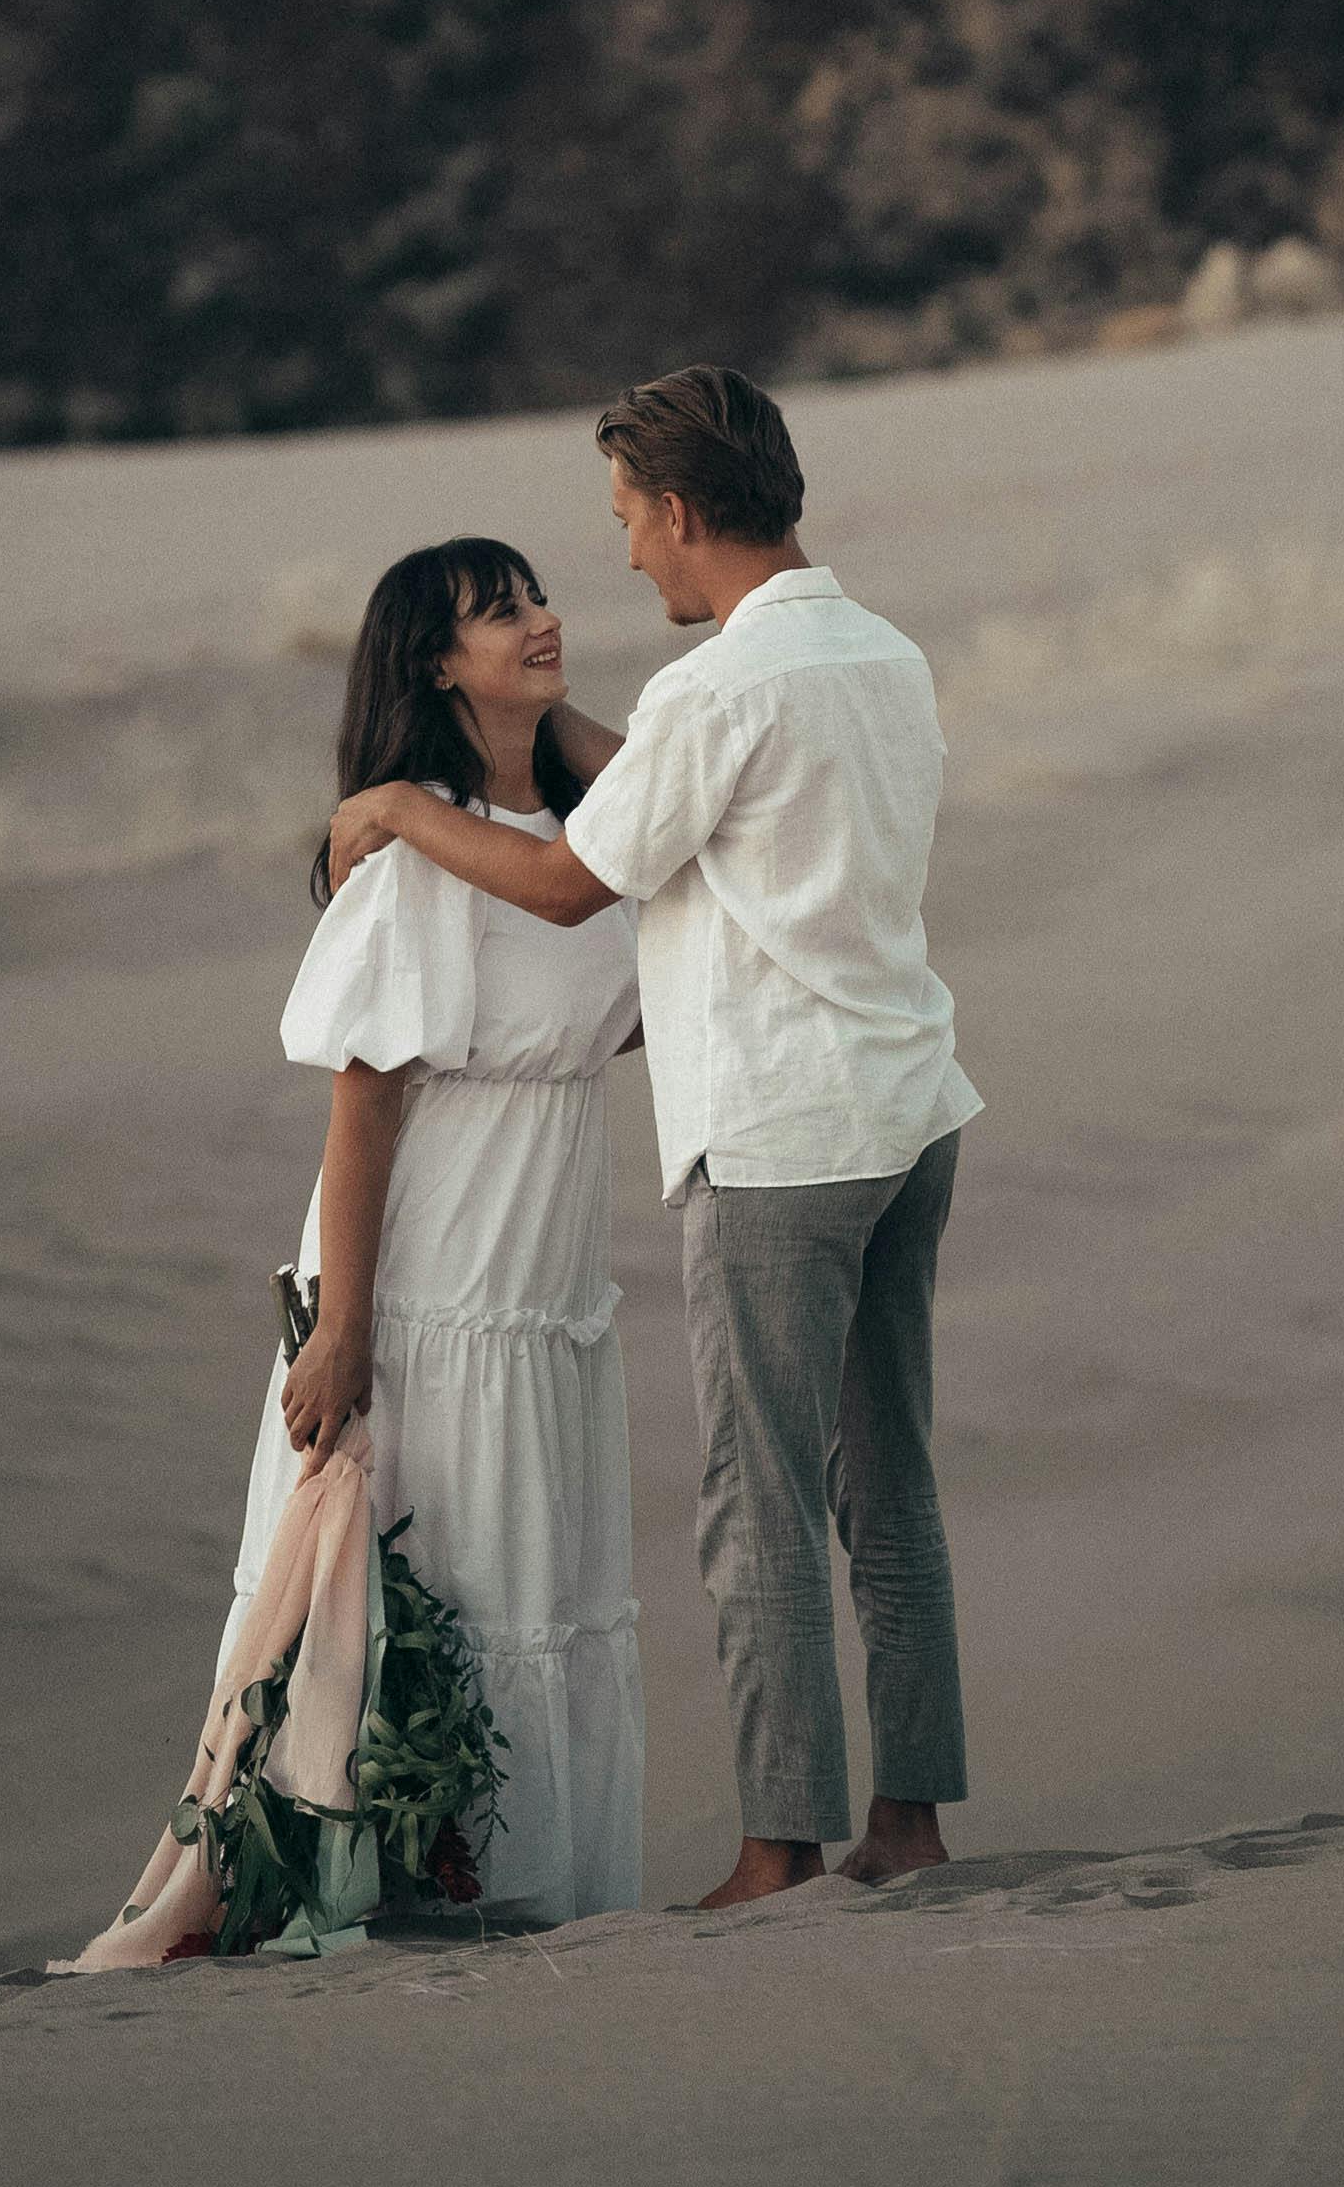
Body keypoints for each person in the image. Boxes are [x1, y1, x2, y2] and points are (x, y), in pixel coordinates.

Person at [326, 368, 979, 1912]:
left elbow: (567, 888)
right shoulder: (882, 654)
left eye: (626, 522)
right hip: (911, 1108)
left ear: (681, 512)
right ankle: (910, 1825)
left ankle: (778, 1848)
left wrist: (400, 813)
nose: (625, 560)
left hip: (782, 1139)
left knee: (758, 1501)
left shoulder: (715, 693)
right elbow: (671, 802)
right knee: (889, 1483)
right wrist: (539, 730)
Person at [89, 538, 647, 1955]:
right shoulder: (415, 861)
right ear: (431, 663)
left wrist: (454, 766)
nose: (542, 620)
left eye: (537, 595)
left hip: (544, 1278)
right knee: (408, 1591)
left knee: (528, 1591)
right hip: (433, 1275)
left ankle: (498, 1890)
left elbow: (669, 794)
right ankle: (345, 1898)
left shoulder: (590, 837)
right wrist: (343, 1322)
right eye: (499, 611)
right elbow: (365, 1103)